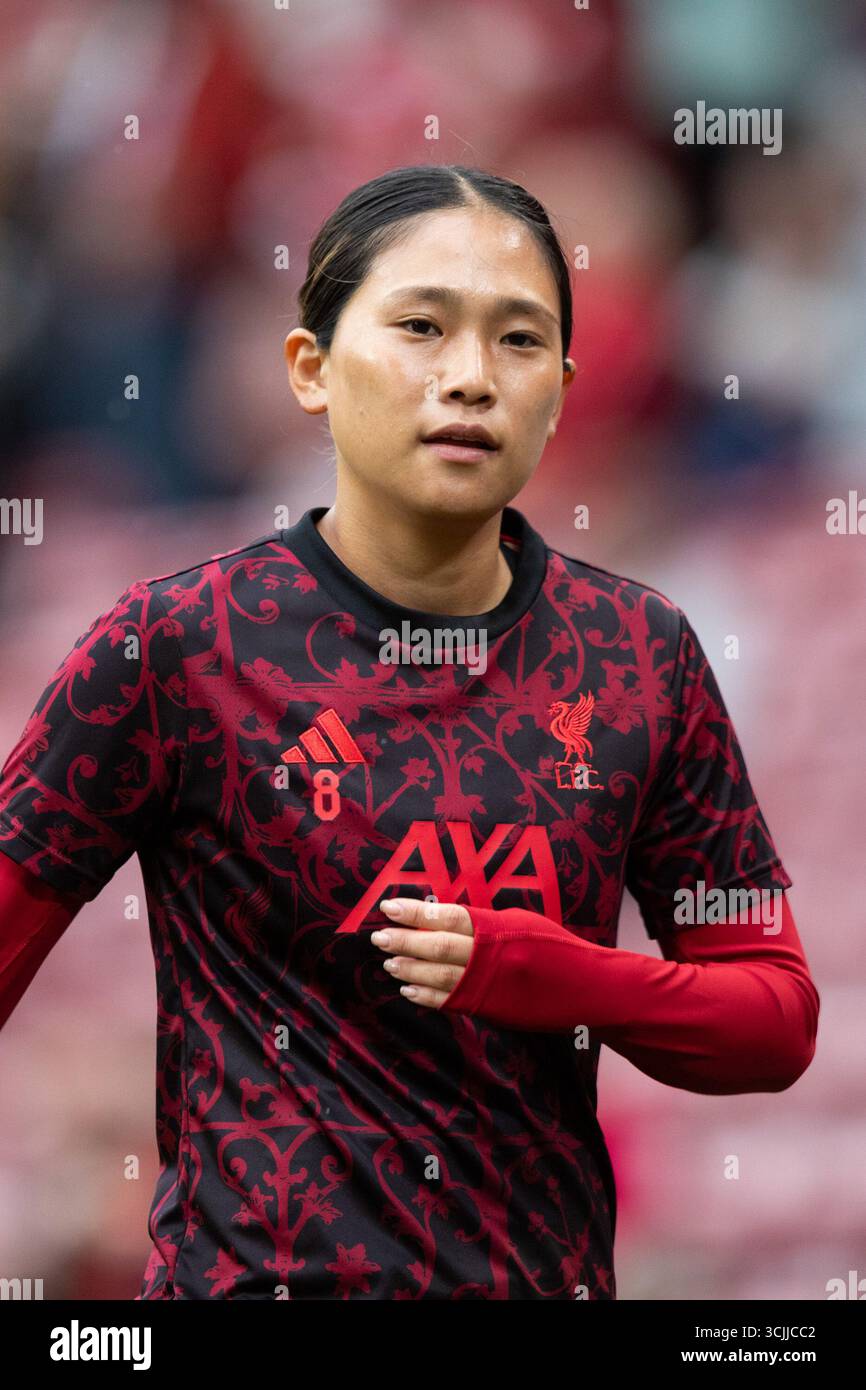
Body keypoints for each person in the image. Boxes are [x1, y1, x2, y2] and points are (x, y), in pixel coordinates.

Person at [0, 164, 818, 1300]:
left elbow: (771, 1018)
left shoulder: (641, 654)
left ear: (562, 387)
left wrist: (561, 975)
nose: (472, 378)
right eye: (422, 327)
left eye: (519, 341)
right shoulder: (173, 648)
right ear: (310, 370)